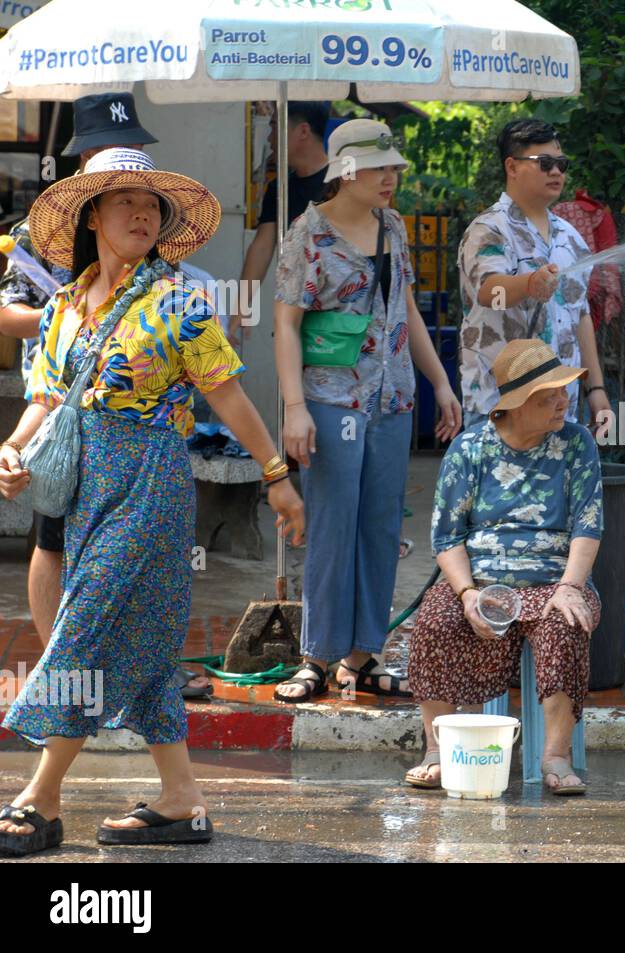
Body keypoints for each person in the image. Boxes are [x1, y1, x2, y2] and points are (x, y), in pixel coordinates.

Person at [0, 148, 306, 857]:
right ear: (91, 218)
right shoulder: (63, 306)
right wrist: (12, 448)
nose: (142, 214)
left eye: (152, 206)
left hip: (151, 487)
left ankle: (41, 797)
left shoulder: (177, 304)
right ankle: (183, 800)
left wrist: (276, 474)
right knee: (146, 646)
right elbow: (45, 399)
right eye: (124, 202)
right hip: (85, 492)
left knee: (87, 628)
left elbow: (228, 394)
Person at [0, 94, 213, 683]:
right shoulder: (38, 233)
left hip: (139, 422)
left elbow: (181, 313)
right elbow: (7, 312)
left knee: (139, 562)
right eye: (107, 149)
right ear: (80, 156)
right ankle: (60, 670)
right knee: (52, 539)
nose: (126, 158)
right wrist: (66, 317)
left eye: (136, 148)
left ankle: (140, 675)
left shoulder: (147, 221)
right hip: (61, 409)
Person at [272, 119, 461, 704]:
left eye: (394, 167)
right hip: (330, 398)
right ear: (347, 171)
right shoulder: (308, 234)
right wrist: (295, 408)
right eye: (381, 167)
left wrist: (441, 383)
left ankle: (364, 654)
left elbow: (405, 307)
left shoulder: (394, 227)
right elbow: (285, 324)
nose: (392, 176)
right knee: (333, 523)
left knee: (381, 526)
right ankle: (317, 656)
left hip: (392, 396)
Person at [404, 338, 603, 796]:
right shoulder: (470, 448)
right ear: (516, 405)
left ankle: (555, 755)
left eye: (564, 390)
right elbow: (448, 537)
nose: (563, 401)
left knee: (565, 625)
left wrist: (571, 586)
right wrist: (468, 594)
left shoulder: (576, 444)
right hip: (482, 582)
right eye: (549, 395)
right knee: (434, 621)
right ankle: (437, 749)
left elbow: (588, 525)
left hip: (555, 580)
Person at [456, 118, 611, 429]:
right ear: (512, 167)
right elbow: (489, 291)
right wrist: (528, 284)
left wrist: (596, 388)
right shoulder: (489, 229)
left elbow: (580, 315)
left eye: (561, 164)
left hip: (559, 406)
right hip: (499, 402)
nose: (556, 171)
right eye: (544, 163)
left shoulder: (571, 237)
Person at [234, 101, 331, 348]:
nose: (269, 138)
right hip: (296, 319)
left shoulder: (342, 183)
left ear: (303, 131)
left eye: (274, 126)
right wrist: (242, 307)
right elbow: (262, 247)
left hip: (342, 320)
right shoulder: (279, 188)